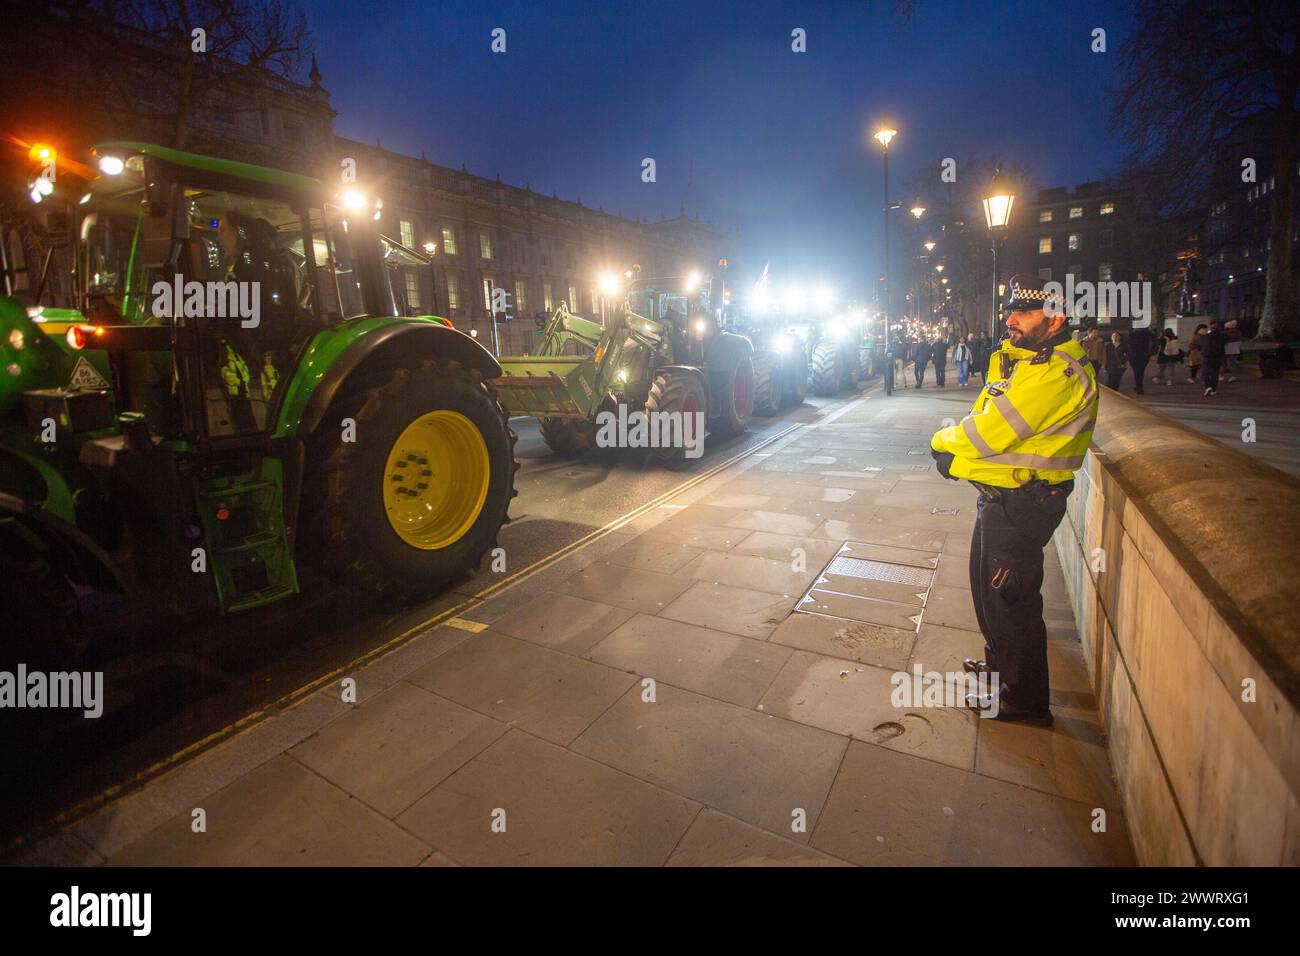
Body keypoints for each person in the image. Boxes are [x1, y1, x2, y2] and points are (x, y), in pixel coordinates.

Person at [930, 273, 1098, 726]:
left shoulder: (1058, 371)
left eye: (1022, 312)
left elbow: (992, 431)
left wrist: (943, 442)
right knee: (986, 590)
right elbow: (986, 413)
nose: (1010, 320)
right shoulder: (1024, 361)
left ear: (1057, 317)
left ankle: (1023, 700)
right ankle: (1000, 664)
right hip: (1001, 497)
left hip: (1026, 503)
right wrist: (959, 461)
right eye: (1010, 310)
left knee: (1012, 599)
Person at [1125, 324, 1154, 394]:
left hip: (1134, 356)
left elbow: (1127, 345)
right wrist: (1150, 353)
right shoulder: (1149, 334)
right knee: (1141, 371)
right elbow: (1153, 344)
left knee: (1136, 371)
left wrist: (1128, 355)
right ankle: (1139, 386)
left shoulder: (1132, 334)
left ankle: (1138, 386)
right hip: (1144, 356)